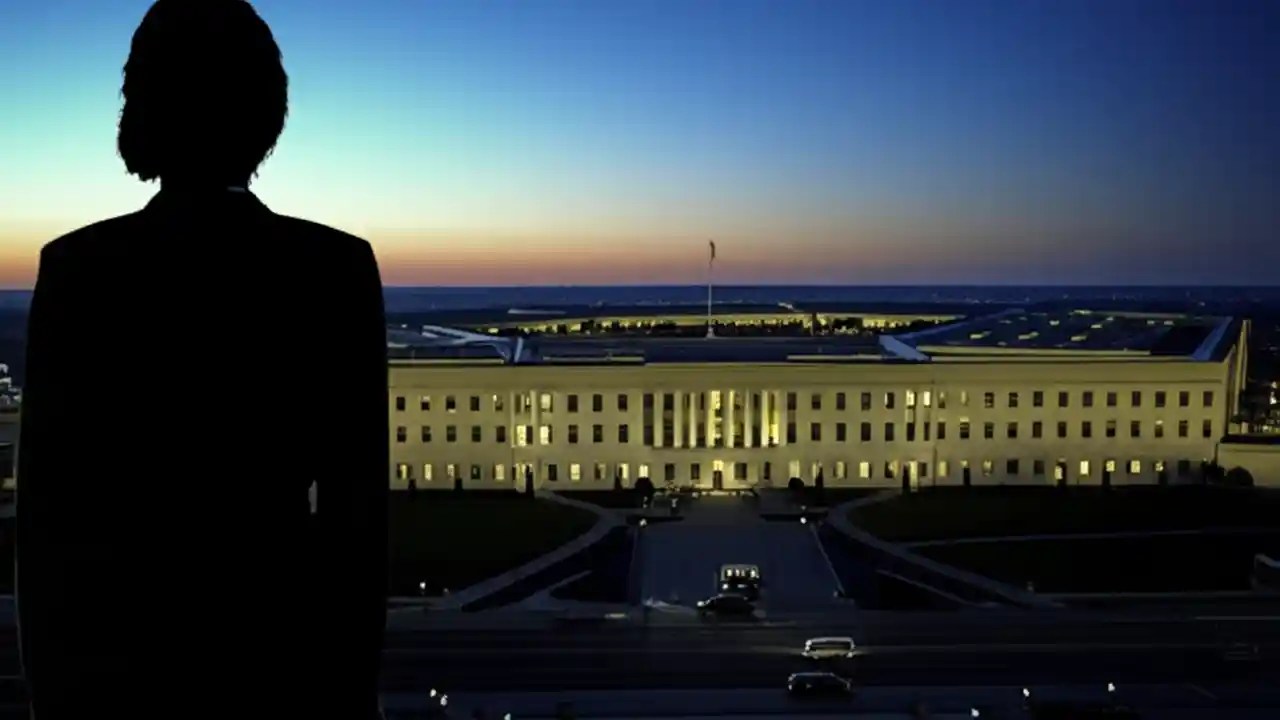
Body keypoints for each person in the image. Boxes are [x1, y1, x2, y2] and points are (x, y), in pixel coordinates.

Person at [15, 2, 388, 718]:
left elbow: (46, 521)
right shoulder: (333, 268)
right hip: (279, 664)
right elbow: (357, 525)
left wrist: (54, 697)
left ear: (144, 108)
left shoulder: (79, 269)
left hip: (119, 667)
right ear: (266, 112)